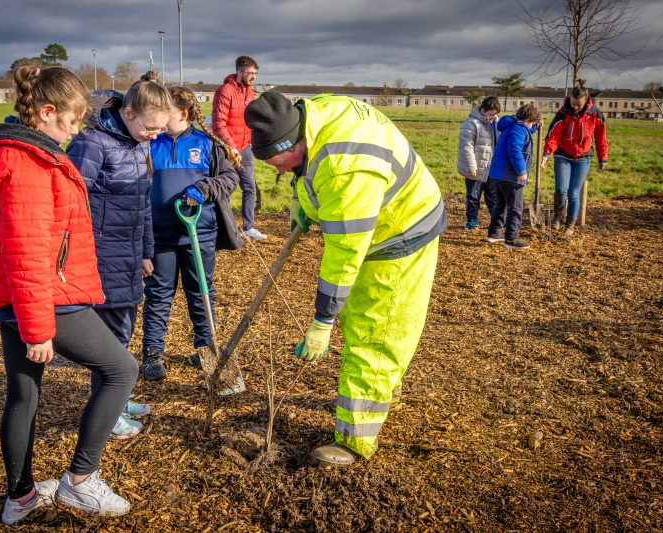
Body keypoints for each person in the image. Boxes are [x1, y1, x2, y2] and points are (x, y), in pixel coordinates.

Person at [0, 65, 136, 524]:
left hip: (10, 300)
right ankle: (80, 480)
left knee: (22, 395)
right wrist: (39, 329)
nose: (75, 131)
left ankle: (20, 496)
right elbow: (26, 252)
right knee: (121, 369)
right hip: (42, 299)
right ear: (46, 111)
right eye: (72, 121)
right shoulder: (26, 164)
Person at [244, 91, 446, 466]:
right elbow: (309, 168)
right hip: (378, 212)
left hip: (399, 230)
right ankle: (384, 389)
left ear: (295, 140)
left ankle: (355, 439)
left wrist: (322, 321)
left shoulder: (344, 169)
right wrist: (303, 202)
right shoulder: (313, 112)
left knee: (375, 330)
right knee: (360, 316)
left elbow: (344, 255)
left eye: (280, 163)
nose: (280, 171)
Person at [66, 82, 169, 435]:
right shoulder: (91, 143)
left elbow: (143, 207)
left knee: (123, 331)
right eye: (150, 127)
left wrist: (146, 252)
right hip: (99, 256)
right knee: (109, 341)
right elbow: (69, 202)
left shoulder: (138, 145)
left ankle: (119, 398)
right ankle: (107, 416)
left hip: (127, 256)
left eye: (159, 129)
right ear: (127, 113)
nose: (154, 136)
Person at [142, 85, 243, 384]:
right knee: (158, 295)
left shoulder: (206, 144)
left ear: (182, 114)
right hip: (160, 236)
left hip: (199, 234)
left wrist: (203, 189)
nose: (157, 118)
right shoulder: (150, 142)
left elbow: (229, 178)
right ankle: (152, 353)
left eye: (164, 112)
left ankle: (207, 351)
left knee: (201, 293)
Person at [540, 79, 609, 237]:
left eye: (578, 104)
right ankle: (557, 217)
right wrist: (546, 154)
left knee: (574, 192)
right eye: (572, 103)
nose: (575, 106)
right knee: (561, 189)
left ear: (586, 100)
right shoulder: (563, 113)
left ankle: (570, 225)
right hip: (563, 155)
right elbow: (553, 136)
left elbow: (601, 138)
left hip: (583, 158)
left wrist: (602, 158)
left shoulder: (595, 114)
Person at [212, 55, 266, 240]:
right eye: (250, 73)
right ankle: (222, 229)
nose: (253, 77)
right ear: (239, 71)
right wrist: (231, 147)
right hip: (227, 150)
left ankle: (248, 227)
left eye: (255, 73)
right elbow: (219, 124)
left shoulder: (249, 92)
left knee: (249, 186)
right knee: (226, 188)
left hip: (245, 148)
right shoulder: (225, 91)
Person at [485, 104, 543, 250]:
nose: (532, 126)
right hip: (510, 176)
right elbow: (515, 150)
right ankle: (511, 239)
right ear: (527, 120)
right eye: (532, 123)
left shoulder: (513, 126)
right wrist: (521, 171)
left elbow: (526, 132)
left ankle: (494, 233)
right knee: (515, 208)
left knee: (501, 204)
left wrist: (536, 127)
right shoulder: (518, 130)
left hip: (498, 175)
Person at [457, 96, 502, 230]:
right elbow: (466, 146)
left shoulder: (497, 123)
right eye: (491, 114)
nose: (494, 117)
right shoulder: (471, 124)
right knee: (473, 196)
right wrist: (471, 166)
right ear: (482, 110)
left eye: (496, 114)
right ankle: (472, 221)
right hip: (476, 168)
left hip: (492, 168)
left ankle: (497, 221)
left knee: (493, 196)